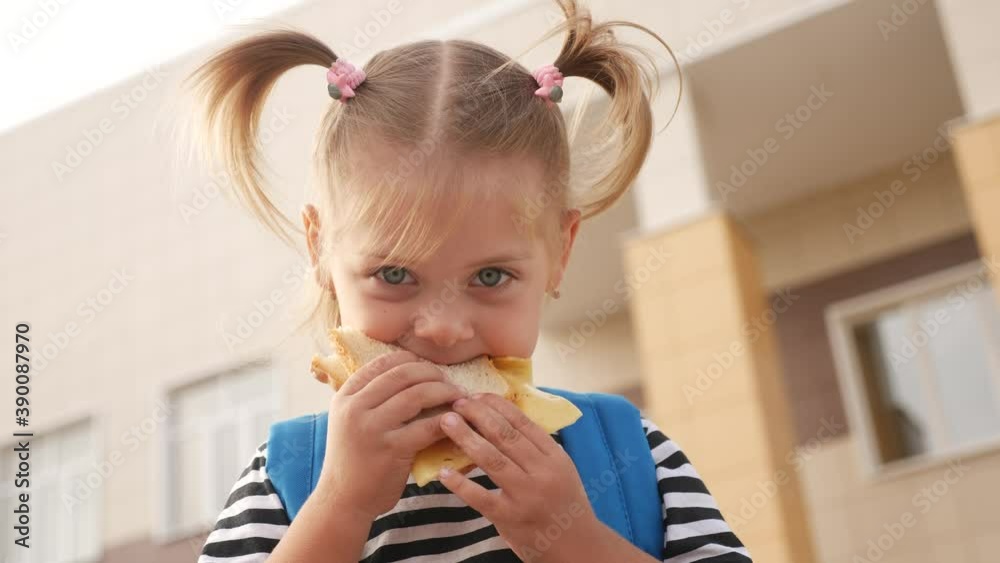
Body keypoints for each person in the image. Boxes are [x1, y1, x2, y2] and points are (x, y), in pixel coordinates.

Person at [185, 1, 752, 561]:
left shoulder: (630, 452)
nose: (444, 330)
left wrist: (575, 540)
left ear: (561, 251)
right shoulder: (285, 478)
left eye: (489, 275)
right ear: (320, 251)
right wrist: (339, 505)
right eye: (395, 274)